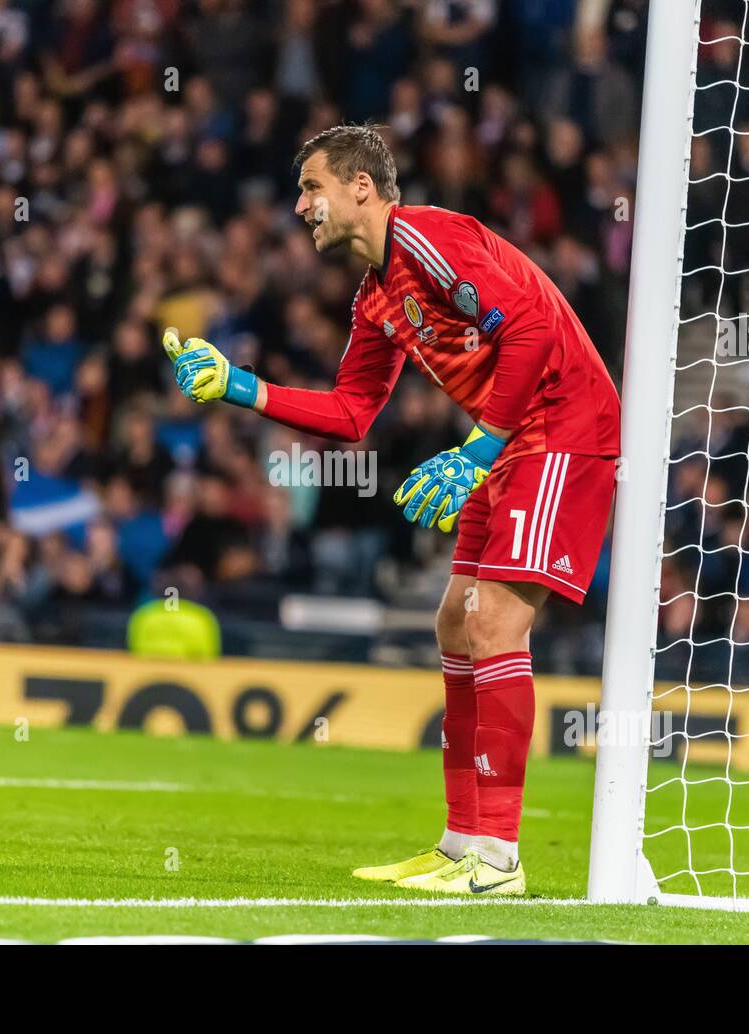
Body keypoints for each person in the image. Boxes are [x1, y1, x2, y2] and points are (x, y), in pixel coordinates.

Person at [160, 124, 621, 896]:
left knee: (496, 623)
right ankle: (460, 841)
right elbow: (350, 413)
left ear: (362, 187)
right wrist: (242, 386)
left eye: (312, 187)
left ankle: (498, 860)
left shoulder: (430, 240)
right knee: (452, 623)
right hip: (506, 443)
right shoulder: (377, 298)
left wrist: (477, 449)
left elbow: (535, 327)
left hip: (562, 432)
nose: (302, 205)